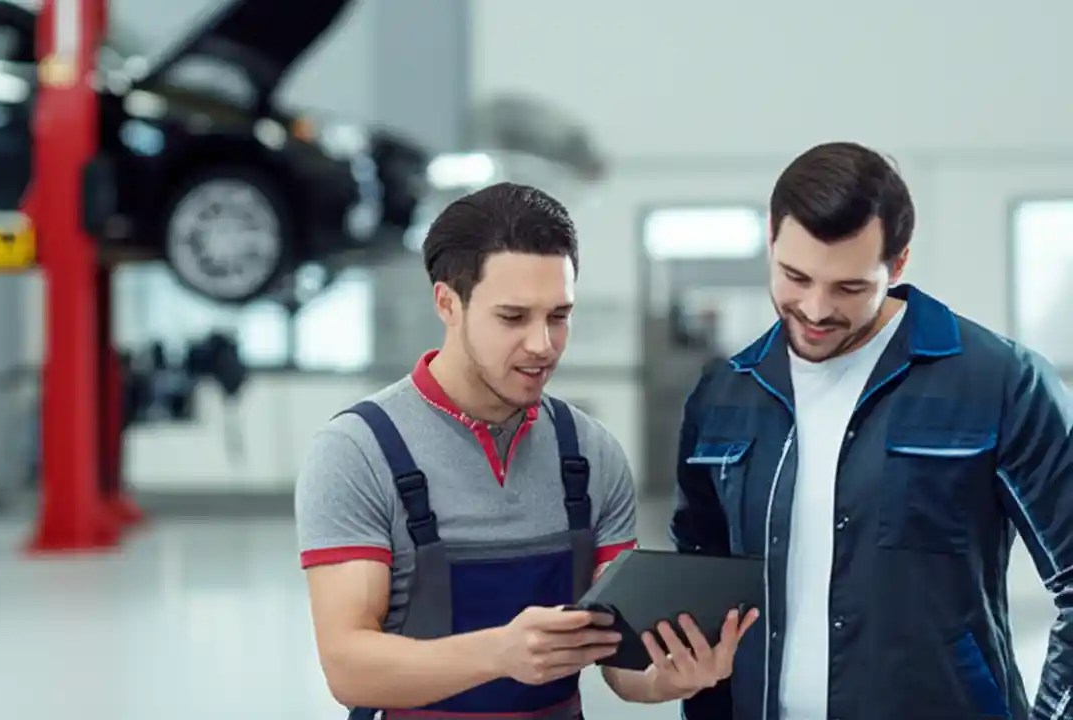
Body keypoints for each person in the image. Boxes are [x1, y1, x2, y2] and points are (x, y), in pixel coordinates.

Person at [296, 182, 759, 719]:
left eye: (558, 316)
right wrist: (499, 654)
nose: (542, 344)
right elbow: (349, 669)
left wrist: (669, 678)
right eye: (513, 317)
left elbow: (622, 664)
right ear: (447, 303)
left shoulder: (591, 454)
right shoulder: (358, 453)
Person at [671, 141, 1073, 720]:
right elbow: (696, 593)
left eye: (849, 287)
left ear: (899, 263)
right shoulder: (724, 395)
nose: (815, 309)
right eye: (795, 276)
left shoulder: (998, 383)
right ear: (771, 238)